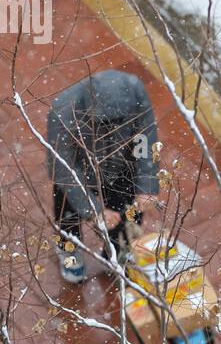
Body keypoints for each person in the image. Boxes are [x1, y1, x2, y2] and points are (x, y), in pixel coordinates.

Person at [47, 70, 160, 283]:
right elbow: (63, 169)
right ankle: (69, 250)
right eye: (105, 122)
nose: (113, 127)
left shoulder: (136, 91)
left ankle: (116, 252)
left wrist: (147, 186)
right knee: (67, 213)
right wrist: (94, 210)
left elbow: (146, 138)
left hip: (120, 163)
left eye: (120, 120)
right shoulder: (62, 111)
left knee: (128, 212)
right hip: (80, 168)